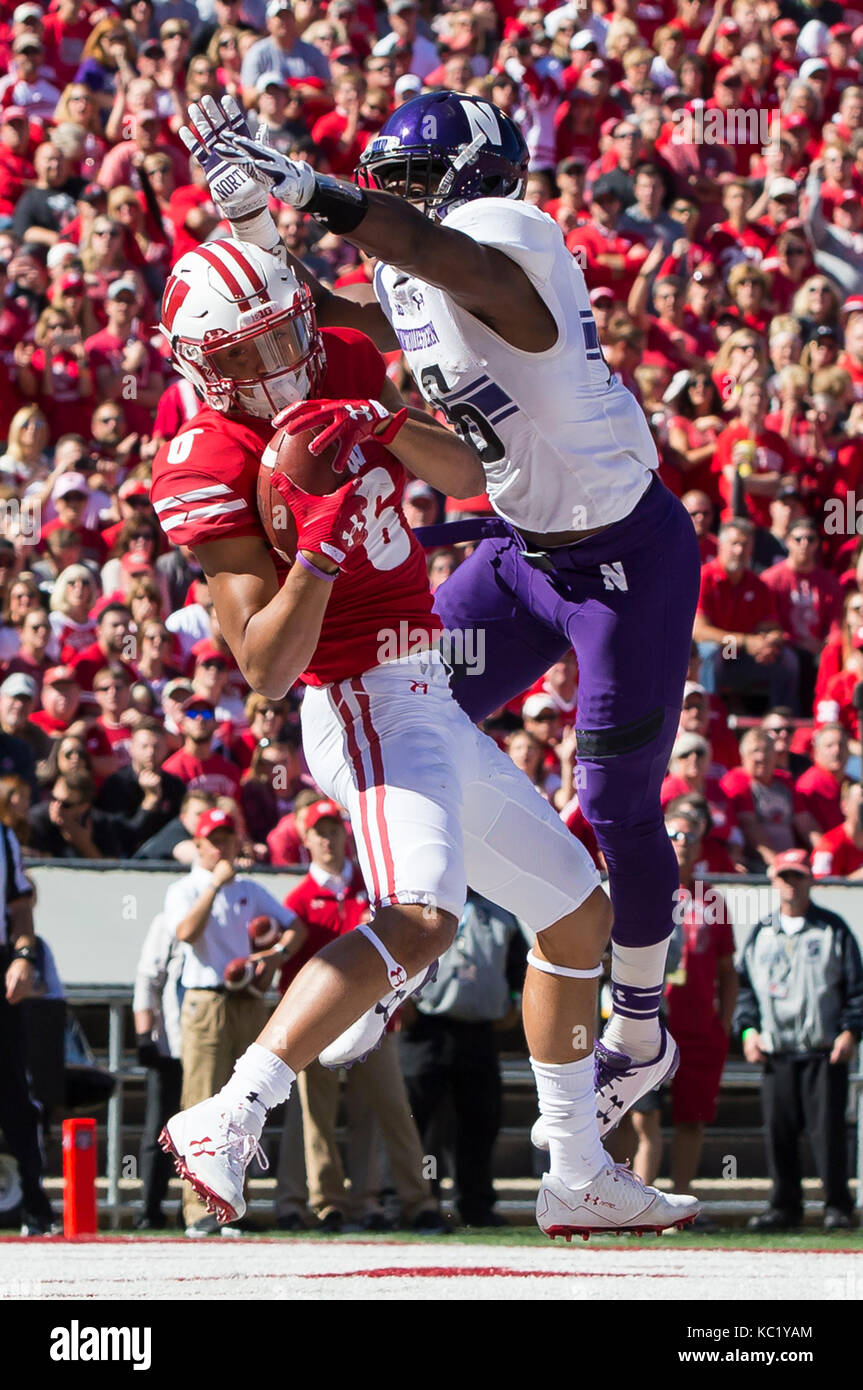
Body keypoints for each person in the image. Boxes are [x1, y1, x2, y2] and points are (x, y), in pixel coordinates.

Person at [186, 90, 702, 1182]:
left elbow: (435, 256)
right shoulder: (415, 267)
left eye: (409, 181)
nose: (395, 202)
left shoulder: (504, 236)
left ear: (472, 176)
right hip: (522, 551)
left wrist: (314, 190)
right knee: (410, 708)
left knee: (609, 801)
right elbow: (358, 310)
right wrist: (260, 238)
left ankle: (641, 1029)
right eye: (381, 183)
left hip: (623, 559)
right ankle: (395, 957)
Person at [278, 798, 444, 1231]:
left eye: (334, 830)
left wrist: (397, 1001)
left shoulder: (372, 893)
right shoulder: (298, 901)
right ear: (307, 839)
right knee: (318, 1115)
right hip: (320, 1024)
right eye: (320, 831)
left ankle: (401, 1200)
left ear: (343, 835)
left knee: (387, 1108)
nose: (328, 839)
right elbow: (293, 971)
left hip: (373, 1018)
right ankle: (327, 1201)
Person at [163, 806, 304, 1236]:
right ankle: (198, 1209)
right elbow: (185, 933)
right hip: (206, 1000)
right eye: (215, 840)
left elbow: (294, 927)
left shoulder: (251, 890)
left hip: (246, 1000)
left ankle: (234, 1203)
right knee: (200, 1099)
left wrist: (274, 955)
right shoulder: (186, 889)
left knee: (243, 1104)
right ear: (200, 846)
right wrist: (214, 886)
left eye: (228, 838)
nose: (223, 847)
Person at [735, 849, 863, 1232]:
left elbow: (856, 988)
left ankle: (837, 1205)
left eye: (798, 876)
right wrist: (748, 1030)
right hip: (776, 1051)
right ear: (774, 880)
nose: (791, 884)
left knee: (828, 1133)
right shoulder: (761, 932)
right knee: (779, 1133)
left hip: (823, 1049)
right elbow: (745, 990)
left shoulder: (832, 929)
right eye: (784, 876)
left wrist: (850, 1030)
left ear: (811, 879)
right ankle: (784, 1206)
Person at [398, 888, 526, 1228]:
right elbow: (396, 955)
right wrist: (402, 1002)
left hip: (479, 1031)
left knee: (480, 1121)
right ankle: (421, 1201)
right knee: (422, 1121)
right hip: (427, 1028)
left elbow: (519, 966)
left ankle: (476, 1203)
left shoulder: (502, 912)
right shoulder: (422, 907)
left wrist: (515, 1000)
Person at [664, 807, 738, 1224]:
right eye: (674, 833)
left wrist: (723, 1023)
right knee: (643, 1119)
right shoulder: (643, 891)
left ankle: (682, 1206)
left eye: (691, 836)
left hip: (699, 1029)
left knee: (691, 1119)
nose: (682, 842)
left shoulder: (713, 900)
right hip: (652, 1024)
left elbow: (729, 971)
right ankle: (638, 1204)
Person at [0, 819, 58, 1235]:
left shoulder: (4, 837)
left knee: (12, 1088)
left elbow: (20, 907)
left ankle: (35, 1202)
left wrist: (24, 956)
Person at [133, 911, 184, 1229]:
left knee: (208, 1132)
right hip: (171, 1043)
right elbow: (147, 978)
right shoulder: (169, 920)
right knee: (159, 1129)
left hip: (213, 1044)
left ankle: (197, 1208)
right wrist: (144, 1036)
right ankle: (150, 1207)